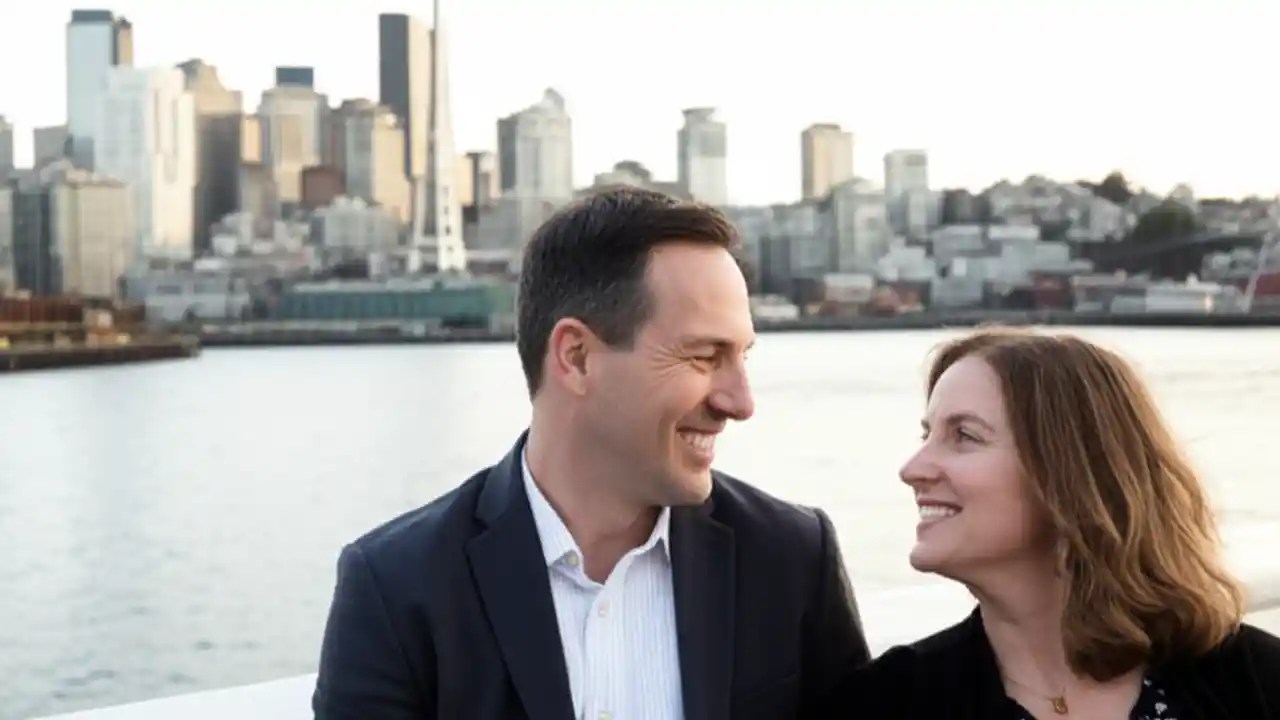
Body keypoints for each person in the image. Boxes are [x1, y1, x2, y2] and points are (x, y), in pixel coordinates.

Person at [312, 186, 870, 720]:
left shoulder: (791, 559)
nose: (740, 402)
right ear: (576, 357)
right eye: (704, 357)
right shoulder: (396, 588)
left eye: (743, 356)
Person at [827, 327, 1280, 719]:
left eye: (964, 436)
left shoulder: (1254, 681)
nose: (913, 468)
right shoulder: (882, 705)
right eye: (927, 435)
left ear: (1070, 474)